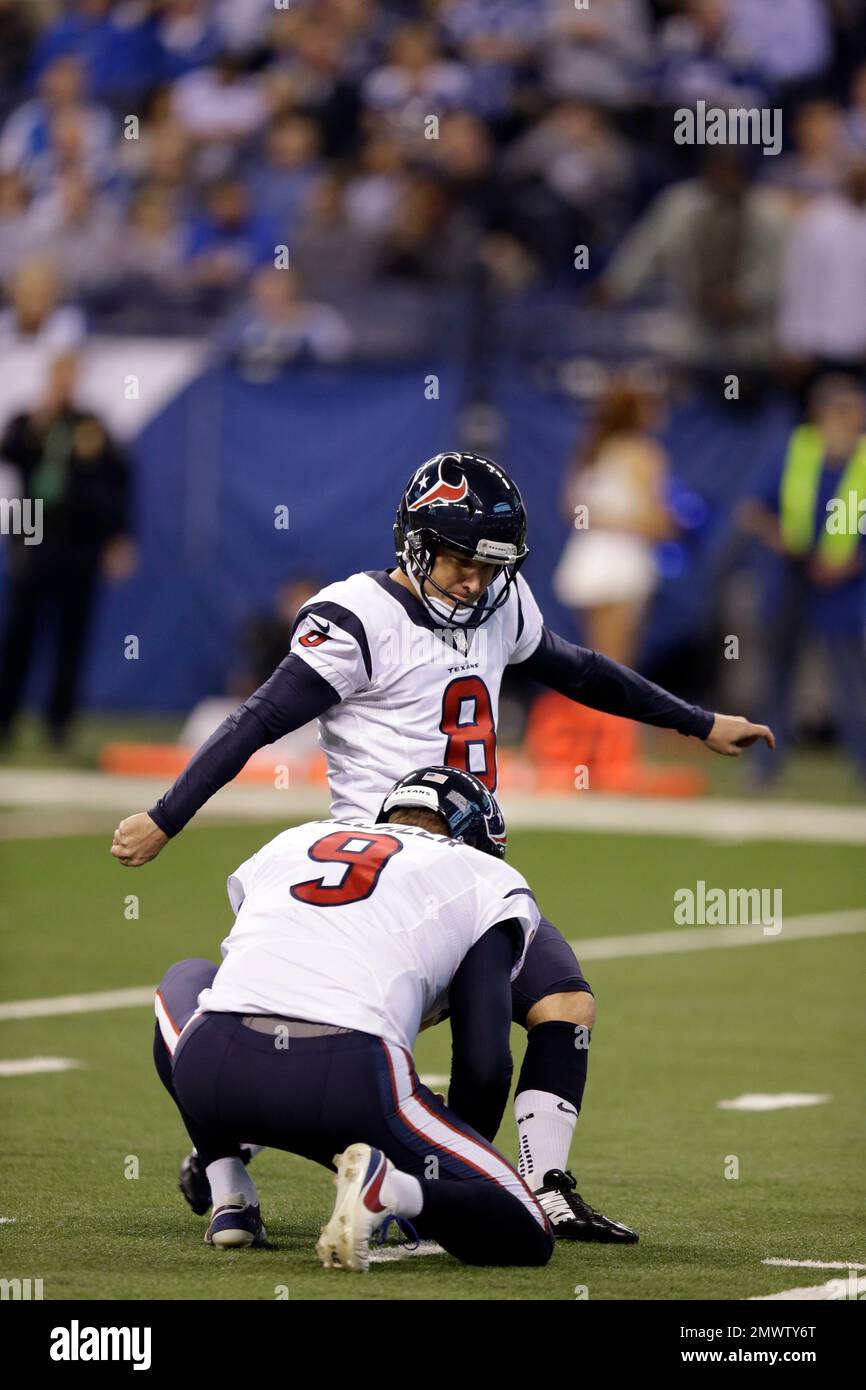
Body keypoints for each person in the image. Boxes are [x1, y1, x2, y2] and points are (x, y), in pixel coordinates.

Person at [114, 451, 772, 1237]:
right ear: (418, 545)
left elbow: (582, 669)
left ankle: (541, 1186)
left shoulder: (501, 603)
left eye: (493, 565)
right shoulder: (359, 616)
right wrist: (167, 815)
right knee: (309, 1026)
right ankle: (396, 1179)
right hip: (384, 879)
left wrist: (697, 722)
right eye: (463, 560)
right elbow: (258, 720)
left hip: (472, 870)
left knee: (565, 1004)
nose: (477, 581)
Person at [153, 766, 554, 1271]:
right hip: (346, 1082)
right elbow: (484, 1063)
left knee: (186, 979)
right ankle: (393, 1190)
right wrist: (442, 1174)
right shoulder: (483, 875)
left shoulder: (297, 838)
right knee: (528, 1229)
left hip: (214, 1066)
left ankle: (230, 1190)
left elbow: (254, 972)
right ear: (477, 841)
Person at [0, 351, 135, 745]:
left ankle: (59, 723)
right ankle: (5, 718)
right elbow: (10, 453)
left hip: (78, 541)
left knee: (71, 637)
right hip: (32, 530)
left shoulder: (92, 426)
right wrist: (40, 423)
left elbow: (118, 481)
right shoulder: (30, 421)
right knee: (19, 634)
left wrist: (118, 536)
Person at [739, 375, 866, 782]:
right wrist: (780, 538)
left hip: (845, 586)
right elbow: (753, 509)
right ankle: (764, 765)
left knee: (851, 679)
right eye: (842, 412)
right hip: (792, 578)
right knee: (777, 675)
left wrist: (852, 561)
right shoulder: (797, 450)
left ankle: (862, 764)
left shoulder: (863, 459)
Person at [553, 376, 674, 666]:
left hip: (596, 559)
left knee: (603, 660)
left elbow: (574, 507)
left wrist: (599, 519)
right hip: (620, 564)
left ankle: (604, 711)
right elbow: (657, 522)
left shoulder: (592, 450)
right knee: (615, 663)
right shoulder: (642, 454)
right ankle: (608, 712)